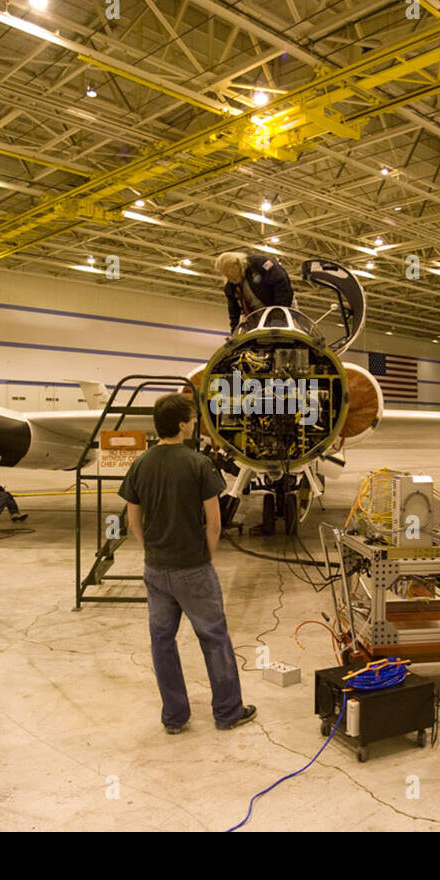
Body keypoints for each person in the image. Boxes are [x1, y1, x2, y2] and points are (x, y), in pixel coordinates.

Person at [119, 393, 255, 734]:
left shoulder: (141, 464)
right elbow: (215, 522)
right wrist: (205, 556)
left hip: (155, 568)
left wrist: (151, 548)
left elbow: (132, 520)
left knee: (162, 642)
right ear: (181, 425)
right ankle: (227, 713)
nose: (195, 423)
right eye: (193, 419)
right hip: (192, 568)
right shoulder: (198, 464)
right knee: (214, 638)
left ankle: (175, 717)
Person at [215, 251, 294, 332]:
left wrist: (278, 312)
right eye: (225, 275)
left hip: (282, 310)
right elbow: (233, 311)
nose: (228, 277)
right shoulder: (231, 286)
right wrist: (234, 331)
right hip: (258, 319)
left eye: (229, 272)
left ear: (237, 263)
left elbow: (281, 282)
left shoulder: (262, 263)